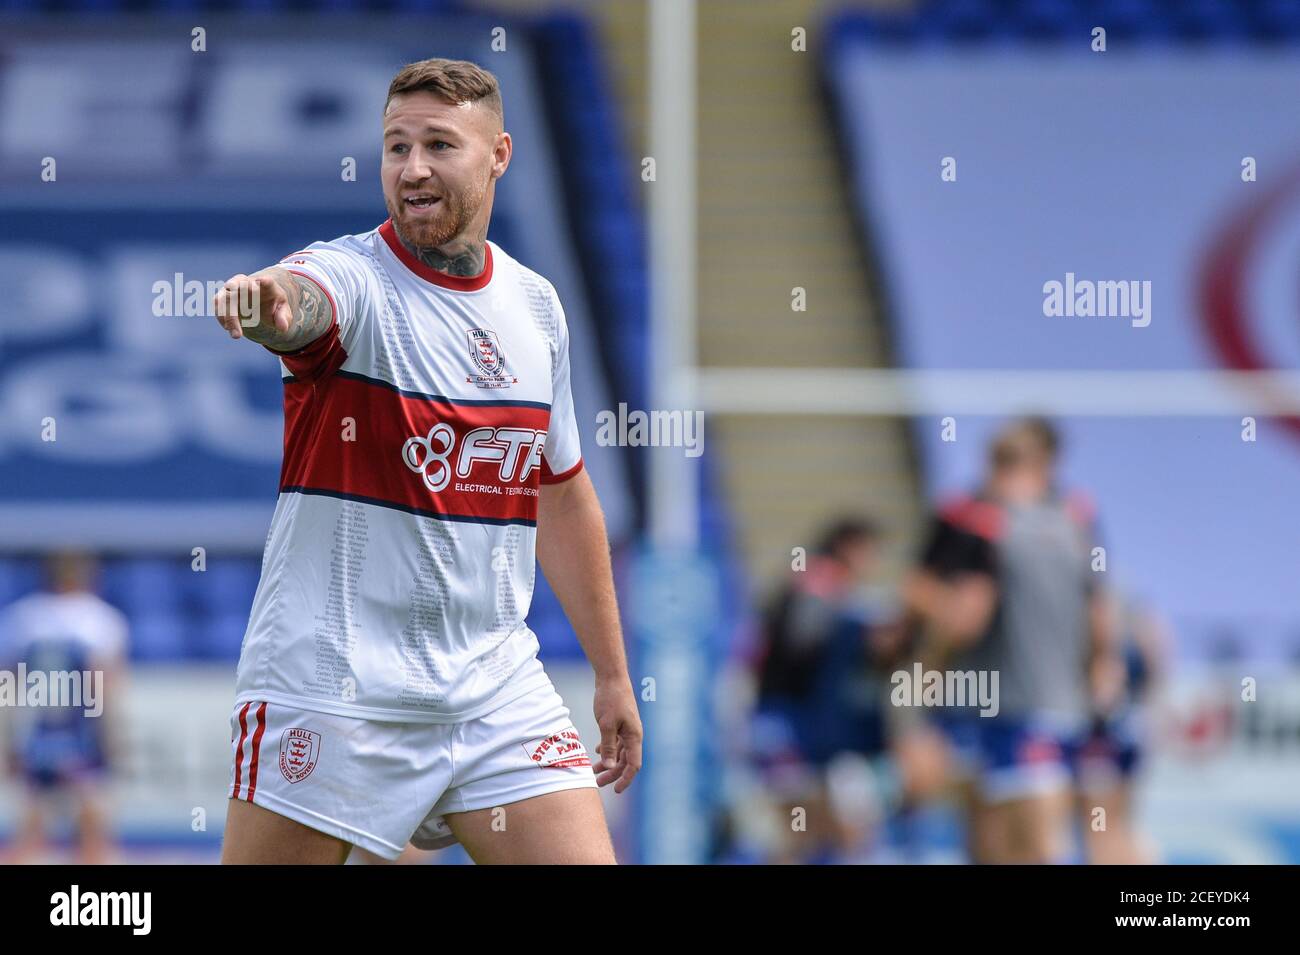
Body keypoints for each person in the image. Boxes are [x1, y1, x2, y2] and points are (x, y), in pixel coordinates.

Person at [210, 58, 641, 864]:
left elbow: (562, 492)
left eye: (440, 145)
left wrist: (612, 674)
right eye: (395, 146)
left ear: (499, 155)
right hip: (334, 692)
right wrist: (268, 300)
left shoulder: (537, 307)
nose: (412, 170)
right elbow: (299, 301)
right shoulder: (354, 280)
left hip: (494, 691)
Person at [904, 417, 1116, 864]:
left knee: (1036, 839)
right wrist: (949, 617)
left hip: (1040, 700)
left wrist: (1104, 661)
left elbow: (1096, 599)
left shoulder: (1073, 517)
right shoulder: (968, 516)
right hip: (980, 698)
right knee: (996, 842)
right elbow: (925, 591)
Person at [0, 552, 127, 864]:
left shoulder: (24, 617)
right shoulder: (101, 619)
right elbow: (104, 687)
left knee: (30, 827)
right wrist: (111, 740)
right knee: (93, 827)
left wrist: (9, 740)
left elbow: (6, 684)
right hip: (81, 735)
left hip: (38, 735)